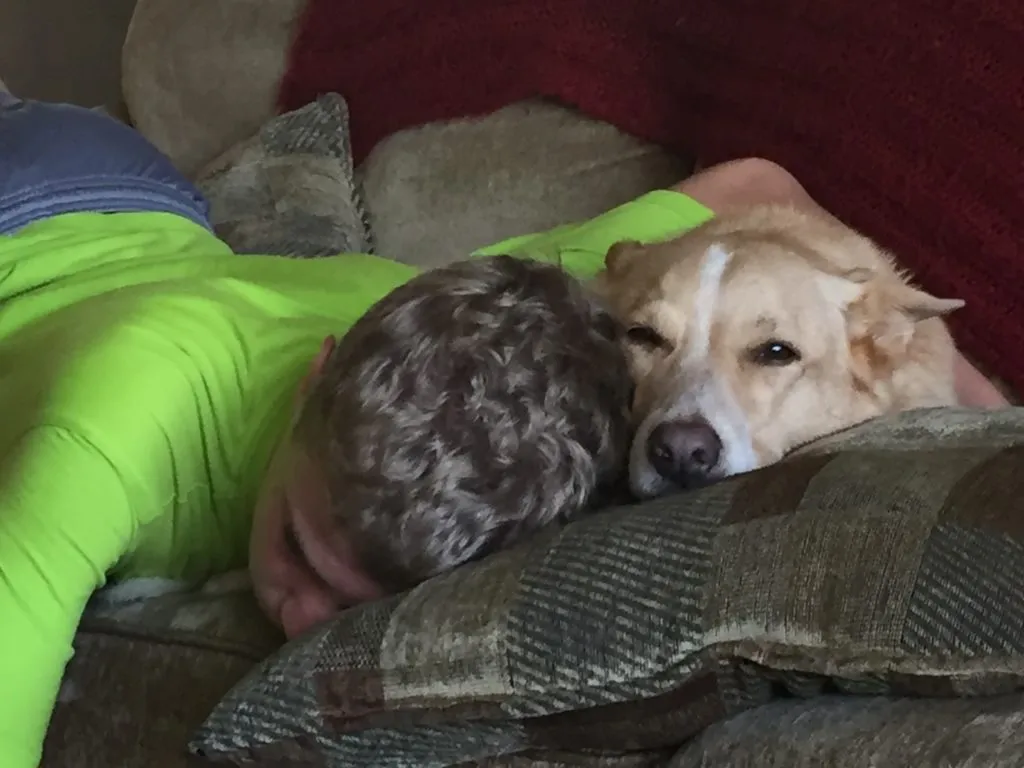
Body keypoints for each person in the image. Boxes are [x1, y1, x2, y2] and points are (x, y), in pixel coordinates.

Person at [0, 94, 1008, 767]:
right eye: (295, 549)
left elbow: (757, 188)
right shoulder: (103, 439)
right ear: (319, 381)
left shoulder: (532, 315)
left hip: (162, 219)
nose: (299, 618)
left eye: (363, 598)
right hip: (34, 191)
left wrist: (992, 422)